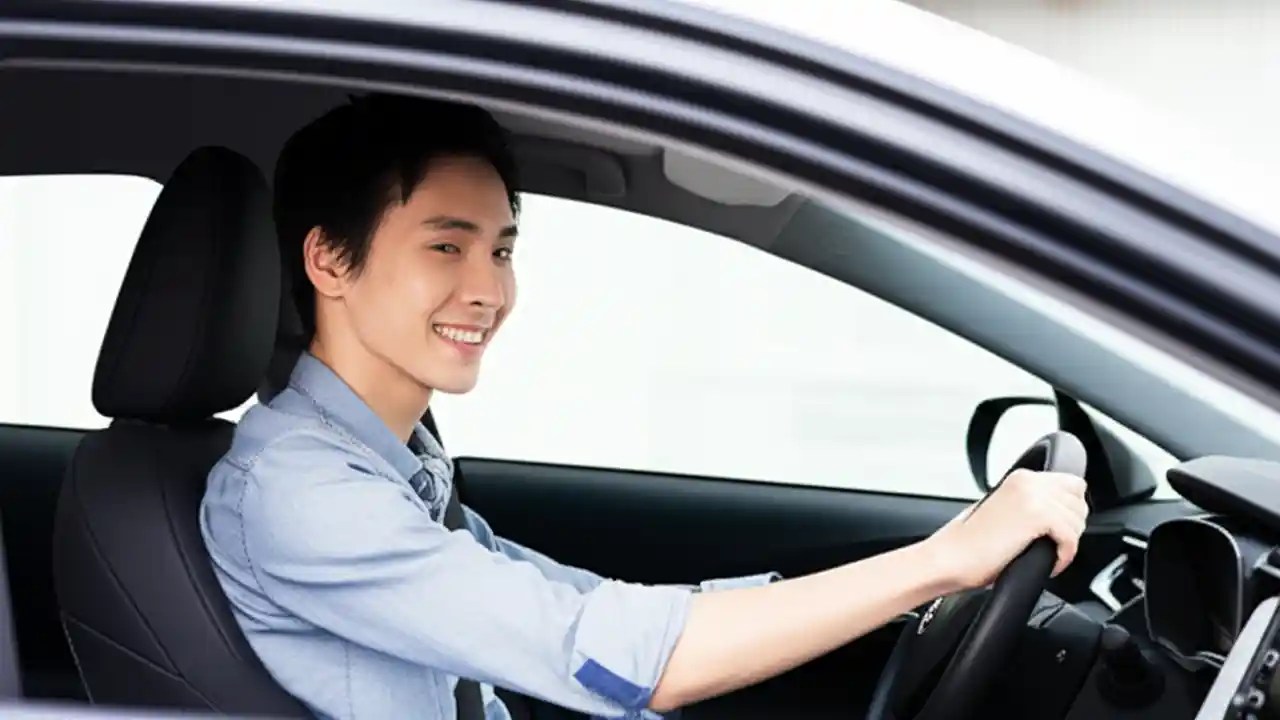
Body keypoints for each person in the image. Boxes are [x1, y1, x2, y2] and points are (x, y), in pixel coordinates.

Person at [200, 94, 1090, 720]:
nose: (490, 291)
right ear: (329, 262)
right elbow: (610, 651)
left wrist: (879, 608)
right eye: (446, 245)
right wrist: (943, 561)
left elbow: (577, 601)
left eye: (503, 250)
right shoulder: (303, 492)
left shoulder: (388, 464)